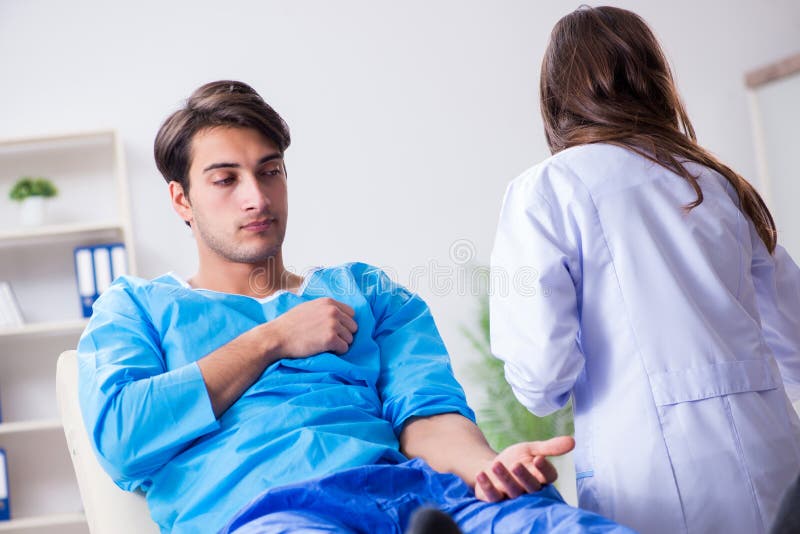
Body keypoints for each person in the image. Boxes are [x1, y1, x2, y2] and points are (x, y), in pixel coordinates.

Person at [77, 80, 631, 534]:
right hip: (274, 517)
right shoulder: (134, 309)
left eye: (270, 171)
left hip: (422, 502)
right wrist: (271, 339)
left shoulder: (366, 291)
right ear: (182, 200)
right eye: (226, 179)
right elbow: (124, 440)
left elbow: (429, 417)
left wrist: (489, 470)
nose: (257, 197)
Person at [490, 6, 800, 534]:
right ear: (656, 82)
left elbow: (541, 381)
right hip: (775, 452)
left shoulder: (546, 190)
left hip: (651, 476)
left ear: (555, 97)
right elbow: (794, 336)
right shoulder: (720, 183)